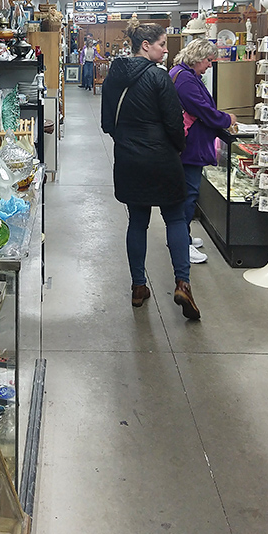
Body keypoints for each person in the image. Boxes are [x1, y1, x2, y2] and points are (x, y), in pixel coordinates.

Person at [101, 23, 200, 319]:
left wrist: (129, 140)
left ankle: (138, 287)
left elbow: (107, 124)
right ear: (145, 45)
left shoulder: (112, 77)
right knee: (175, 219)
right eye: (162, 44)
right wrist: (178, 147)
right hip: (162, 159)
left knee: (137, 223)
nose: (166, 50)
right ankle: (183, 283)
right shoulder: (159, 78)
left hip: (130, 160)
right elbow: (174, 124)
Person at [169, 39, 237, 263]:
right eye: (208, 60)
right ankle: (182, 243)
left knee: (188, 193)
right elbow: (202, 109)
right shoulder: (186, 79)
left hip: (190, 144)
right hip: (190, 147)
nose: (210, 65)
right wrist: (226, 119)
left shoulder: (184, 74)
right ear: (197, 58)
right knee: (188, 194)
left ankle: (183, 236)